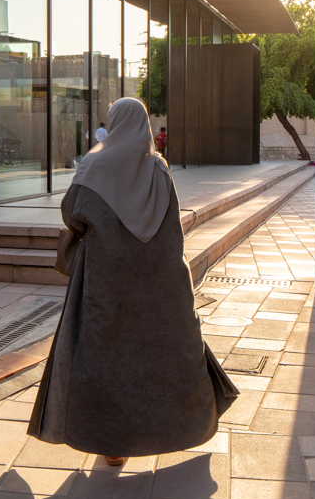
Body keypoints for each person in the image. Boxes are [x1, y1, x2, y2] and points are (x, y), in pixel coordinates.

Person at [28, 96, 236, 465]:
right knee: (162, 357)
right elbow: (173, 227)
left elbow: (71, 214)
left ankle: (112, 446)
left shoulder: (94, 166)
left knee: (105, 358)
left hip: (106, 282)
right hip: (160, 283)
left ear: (114, 123)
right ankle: (178, 429)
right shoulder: (159, 169)